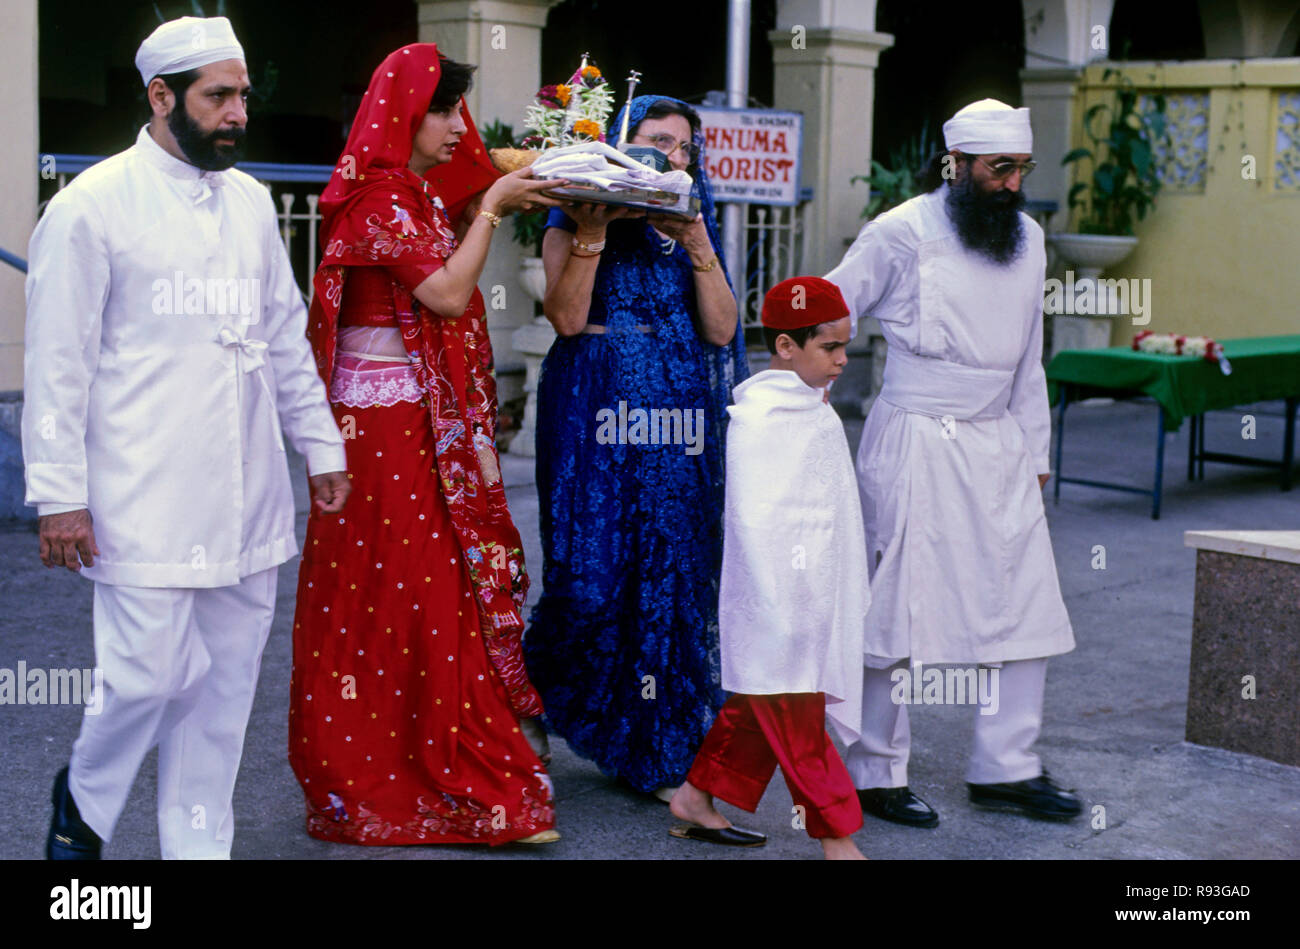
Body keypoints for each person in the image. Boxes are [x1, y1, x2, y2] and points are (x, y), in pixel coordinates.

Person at [24, 16, 349, 859]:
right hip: (142, 492)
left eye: (243, 95)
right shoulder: (90, 206)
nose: (238, 112)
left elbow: (283, 334)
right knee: (146, 676)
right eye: (219, 97)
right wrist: (59, 495)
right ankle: (83, 801)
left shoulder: (249, 201)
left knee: (223, 692)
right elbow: (57, 363)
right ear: (161, 97)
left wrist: (319, 444)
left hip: (248, 489)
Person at [288, 43, 564, 846]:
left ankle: (456, 760)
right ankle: (379, 770)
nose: (456, 126)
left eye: (456, 108)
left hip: (419, 419)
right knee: (401, 587)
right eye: (442, 109)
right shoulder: (379, 198)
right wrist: (493, 209)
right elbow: (445, 294)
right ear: (403, 113)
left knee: (438, 589)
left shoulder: (414, 196)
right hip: (379, 428)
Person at [825, 98, 1083, 826]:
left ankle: (1007, 767)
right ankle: (874, 771)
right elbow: (829, 308)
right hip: (915, 437)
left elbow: (1029, 356)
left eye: (1022, 168)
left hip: (1000, 440)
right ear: (958, 164)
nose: (1012, 184)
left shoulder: (1030, 238)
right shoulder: (901, 230)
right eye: (999, 168)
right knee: (898, 607)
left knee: (1026, 602)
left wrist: (1036, 450)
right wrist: (803, 405)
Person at [521, 95, 749, 799]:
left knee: (668, 569)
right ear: (623, 145)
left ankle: (655, 743)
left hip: (677, 413)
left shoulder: (691, 225)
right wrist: (593, 229)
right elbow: (566, 317)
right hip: (594, 403)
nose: (670, 156)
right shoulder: (574, 211)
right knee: (590, 570)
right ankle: (539, 697)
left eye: (682, 147)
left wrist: (700, 246)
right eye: (656, 141)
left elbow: (722, 331)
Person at [668, 277, 868, 860]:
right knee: (794, 712)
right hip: (775, 597)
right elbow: (755, 522)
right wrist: (779, 604)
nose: (842, 359)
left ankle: (694, 797)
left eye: (845, 345)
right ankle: (838, 839)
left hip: (812, 591)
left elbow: (830, 512)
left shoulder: (814, 411)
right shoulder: (759, 418)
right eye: (830, 347)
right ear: (786, 346)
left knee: (762, 697)